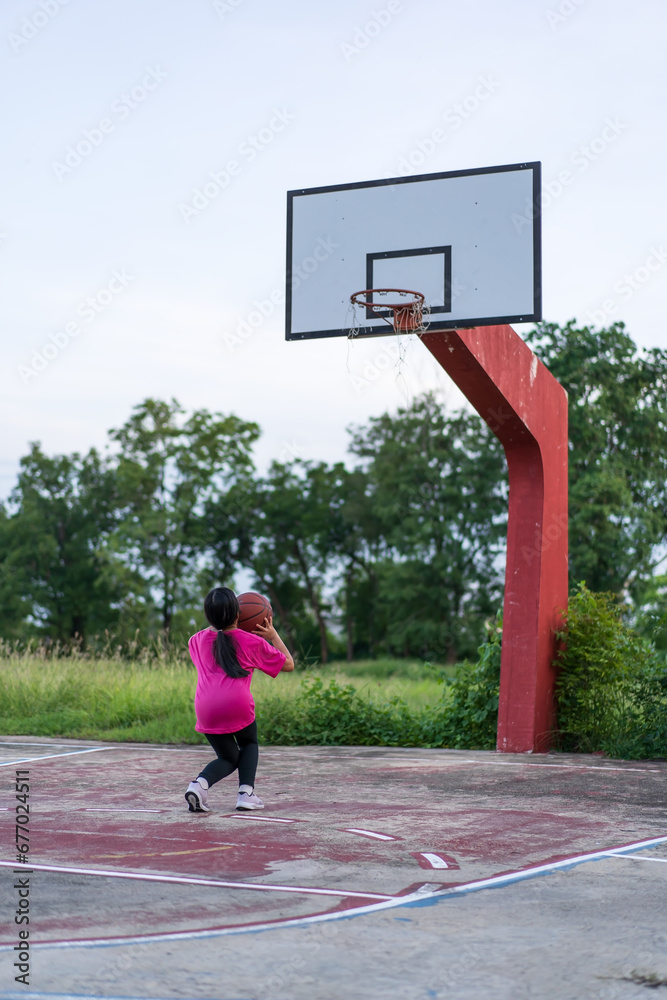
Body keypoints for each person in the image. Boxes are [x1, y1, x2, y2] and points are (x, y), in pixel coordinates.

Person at [184, 587, 294, 813]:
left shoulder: (195, 641)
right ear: (239, 614)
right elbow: (289, 665)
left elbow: (213, 632)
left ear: (209, 616)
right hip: (238, 705)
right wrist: (272, 635)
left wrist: (219, 619)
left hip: (206, 707)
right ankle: (246, 794)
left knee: (227, 757)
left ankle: (199, 785)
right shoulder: (250, 641)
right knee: (249, 743)